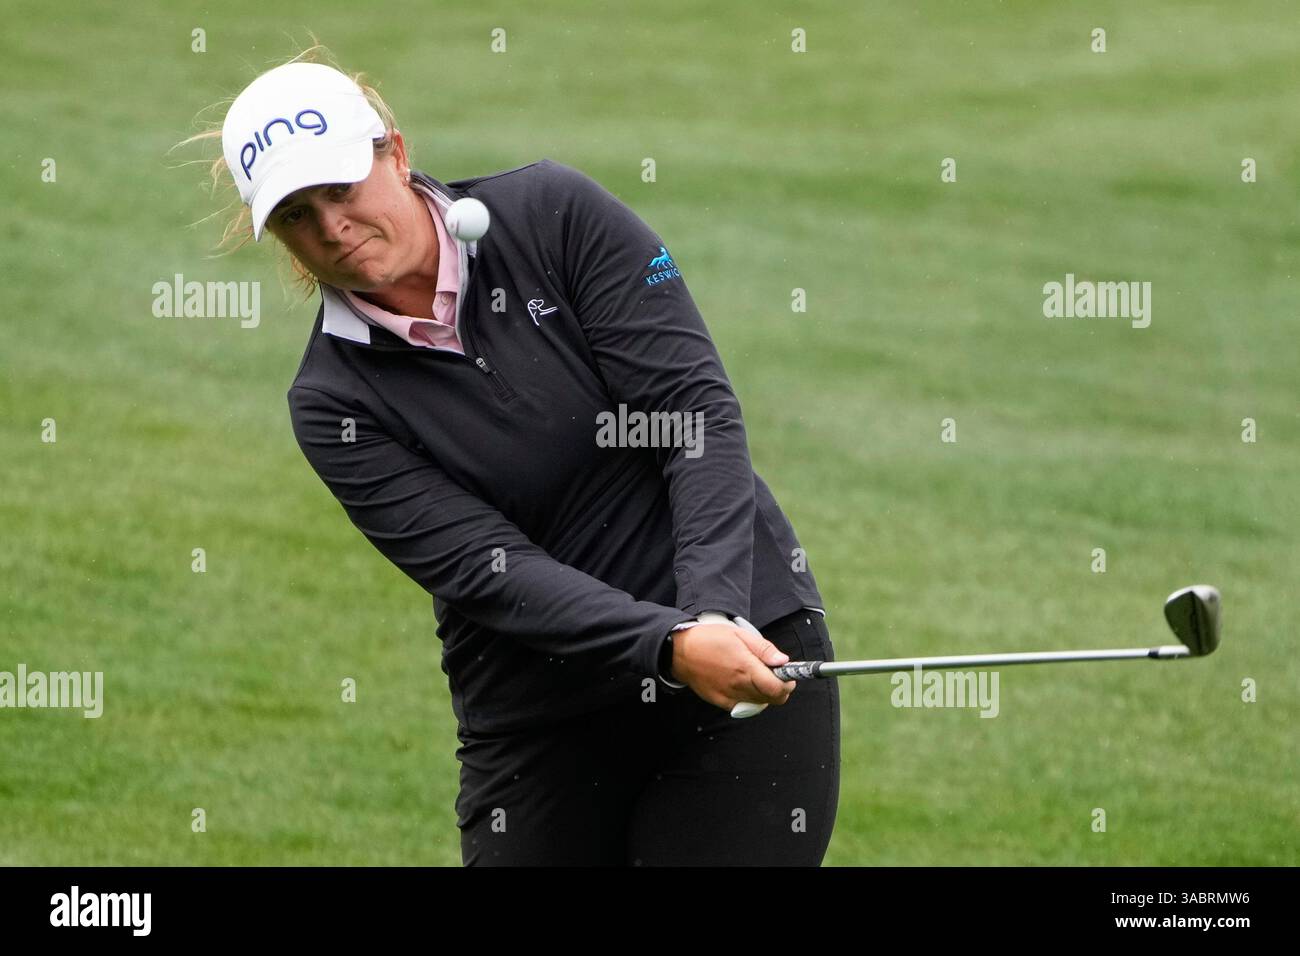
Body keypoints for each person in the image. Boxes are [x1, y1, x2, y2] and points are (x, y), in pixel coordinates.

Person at [200, 51, 840, 865]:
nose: (331, 228)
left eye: (341, 188)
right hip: (543, 712)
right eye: (295, 215)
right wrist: (670, 642)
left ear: (393, 152)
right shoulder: (333, 402)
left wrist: (713, 614)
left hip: (746, 649)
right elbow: (488, 569)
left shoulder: (553, 212)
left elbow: (693, 415)